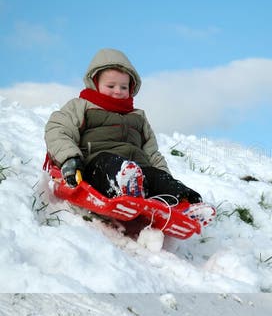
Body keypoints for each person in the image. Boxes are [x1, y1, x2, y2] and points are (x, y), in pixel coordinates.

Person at [44, 47, 213, 223]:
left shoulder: (137, 117)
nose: (118, 91)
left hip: (139, 169)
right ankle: (126, 185)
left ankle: (185, 205)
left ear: (131, 88)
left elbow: (152, 153)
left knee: (156, 176)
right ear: (95, 83)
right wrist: (70, 158)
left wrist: (164, 177)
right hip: (97, 166)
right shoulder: (82, 106)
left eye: (123, 87)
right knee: (109, 163)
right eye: (111, 86)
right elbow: (58, 128)